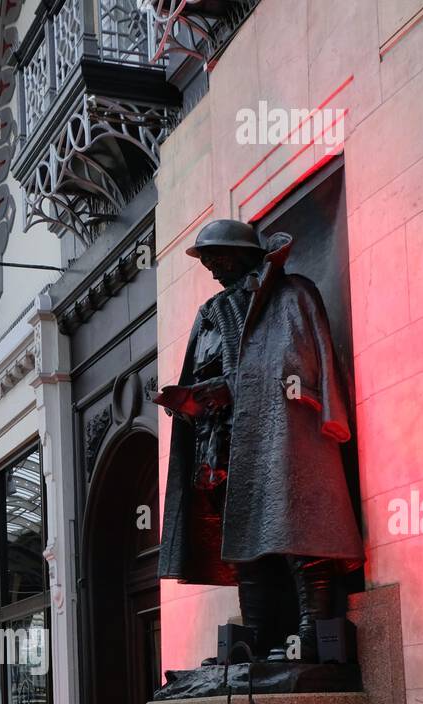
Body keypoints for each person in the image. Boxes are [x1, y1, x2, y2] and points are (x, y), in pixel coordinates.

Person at [155, 219, 363, 663]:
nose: (212, 268)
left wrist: (232, 388)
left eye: (218, 258)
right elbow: (205, 370)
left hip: (279, 436)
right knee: (241, 544)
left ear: (243, 253)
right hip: (220, 442)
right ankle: (255, 635)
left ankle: (312, 632)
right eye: (207, 262)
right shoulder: (209, 315)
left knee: (296, 531)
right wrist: (191, 400)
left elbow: (300, 366)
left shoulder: (291, 295)